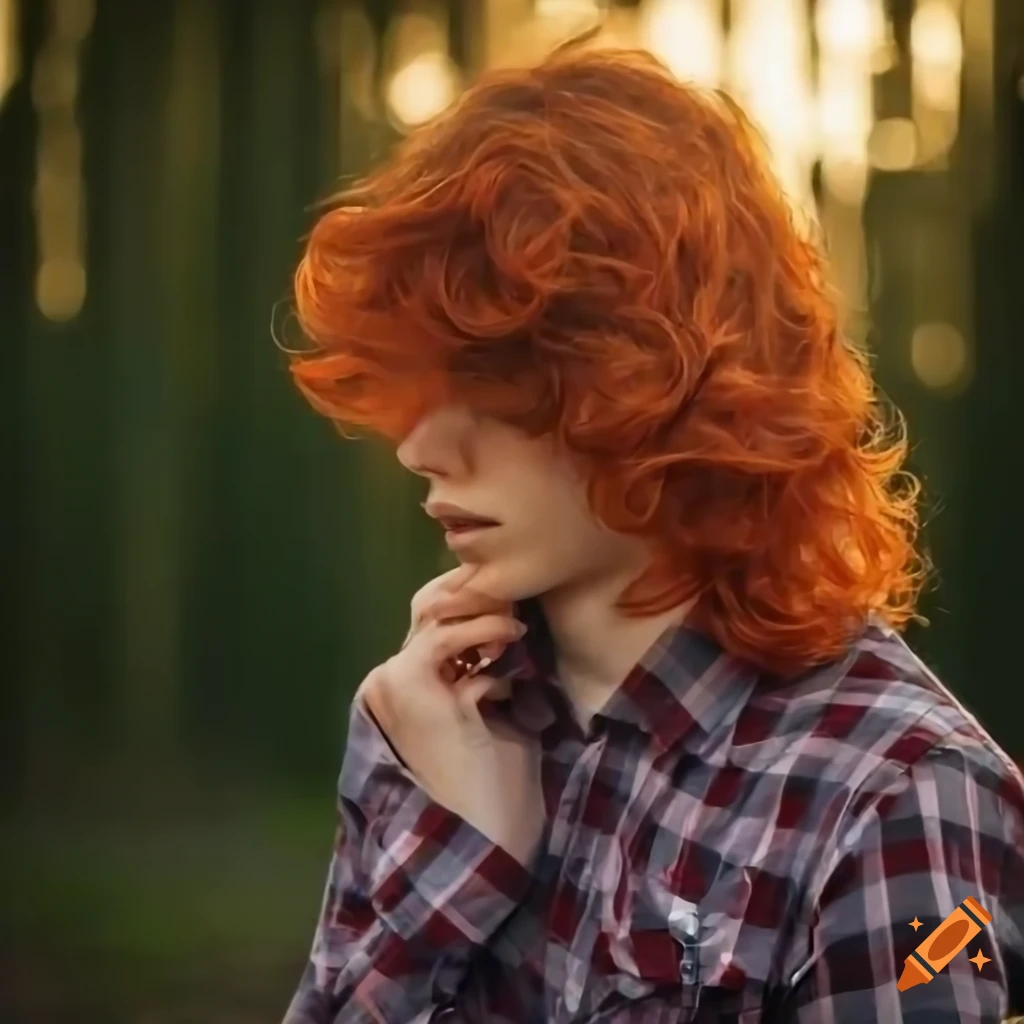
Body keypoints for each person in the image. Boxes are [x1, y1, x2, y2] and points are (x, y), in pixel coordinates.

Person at [279, 40, 1024, 1024]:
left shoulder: (890, 793)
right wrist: (451, 868)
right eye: (416, 383)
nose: (420, 444)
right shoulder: (425, 718)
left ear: (657, 379)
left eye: (491, 383)